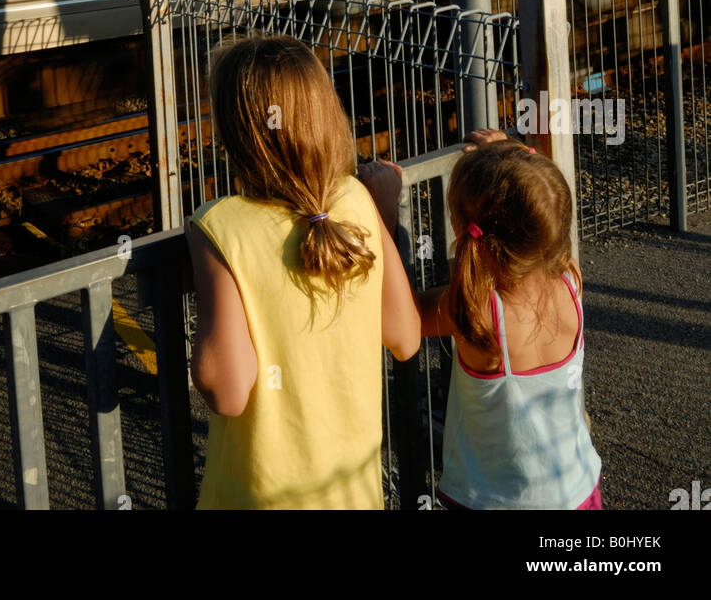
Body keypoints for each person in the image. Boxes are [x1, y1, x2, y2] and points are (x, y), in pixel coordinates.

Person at [185, 34, 421, 510]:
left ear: (235, 134)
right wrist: (384, 214)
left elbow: (226, 390)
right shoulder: (354, 200)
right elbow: (405, 335)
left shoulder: (219, 225)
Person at [359, 131, 603, 511]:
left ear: (461, 226)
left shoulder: (480, 312)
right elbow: (532, 211)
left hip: (495, 503)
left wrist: (383, 215)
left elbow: (404, 323)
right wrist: (510, 159)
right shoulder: (570, 278)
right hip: (578, 489)